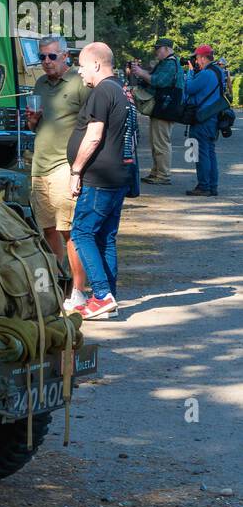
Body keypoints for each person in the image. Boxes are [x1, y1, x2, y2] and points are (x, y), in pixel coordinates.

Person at [67, 42, 136, 320]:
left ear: (96, 64)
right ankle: (108, 298)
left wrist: (75, 171)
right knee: (105, 237)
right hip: (118, 176)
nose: (80, 72)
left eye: (82, 66)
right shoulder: (122, 91)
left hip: (99, 178)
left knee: (81, 233)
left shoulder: (102, 92)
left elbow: (94, 136)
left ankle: (101, 295)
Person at [25, 36, 90, 311]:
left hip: (66, 165)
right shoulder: (39, 84)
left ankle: (78, 291)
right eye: (42, 57)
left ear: (66, 57)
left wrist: (81, 166)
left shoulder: (79, 83)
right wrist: (32, 122)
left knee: (69, 230)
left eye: (52, 57)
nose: (46, 63)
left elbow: (94, 123)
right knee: (47, 228)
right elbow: (33, 126)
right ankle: (56, 283)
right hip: (39, 165)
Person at [127, 37, 182, 184]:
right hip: (162, 108)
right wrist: (142, 73)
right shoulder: (168, 63)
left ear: (166, 48)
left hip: (165, 108)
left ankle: (163, 175)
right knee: (156, 142)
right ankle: (157, 172)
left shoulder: (170, 64)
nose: (156, 52)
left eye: (158, 49)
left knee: (161, 143)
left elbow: (159, 81)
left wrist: (141, 72)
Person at [183, 44, 229, 197]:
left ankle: (204, 186)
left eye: (197, 58)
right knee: (209, 152)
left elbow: (189, 88)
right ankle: (212, 186)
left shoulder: (205, 74)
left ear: (203, 58)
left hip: (202, 118)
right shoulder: (219, 71)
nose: (196, 61)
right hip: (213, 116)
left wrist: (190, 73)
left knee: (201, 152)